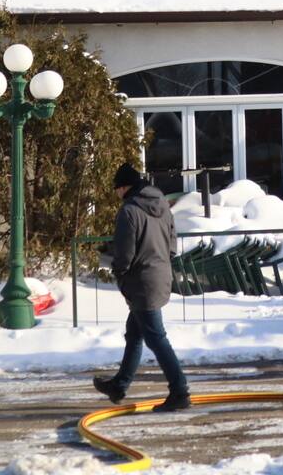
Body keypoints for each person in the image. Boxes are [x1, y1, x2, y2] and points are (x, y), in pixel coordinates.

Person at [92, 163, 191, 411]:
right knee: (135, 333)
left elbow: (125, 253)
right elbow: (172, 246)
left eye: (117, 188)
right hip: (160, 276)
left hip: (141, 282)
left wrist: (120, 272)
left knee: (156, 338)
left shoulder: (129, 211)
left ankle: (180, 391)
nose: (116, 193)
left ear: (125, 187)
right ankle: (119, 385)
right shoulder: (163, 205)